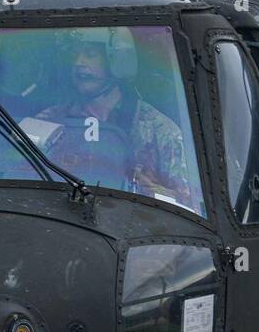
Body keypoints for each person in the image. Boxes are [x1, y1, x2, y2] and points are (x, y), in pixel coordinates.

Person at [35, 27, 196, 208]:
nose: (78, 63)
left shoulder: (159, 130)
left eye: (90, 54)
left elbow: (186, 205)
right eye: (75, 55)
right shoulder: (49, 121)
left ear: (119, 61)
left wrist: (146, 189)